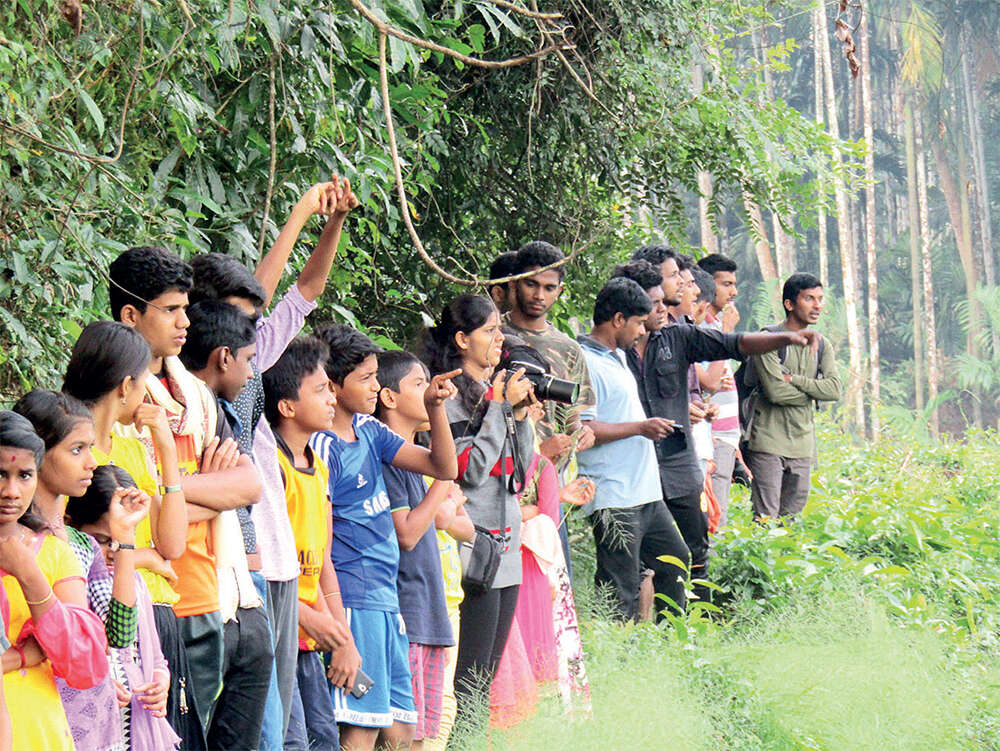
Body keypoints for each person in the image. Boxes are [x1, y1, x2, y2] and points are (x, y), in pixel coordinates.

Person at [188, 177, 357, 749]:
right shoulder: (205, 384)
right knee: (258, 727)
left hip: (277, 562)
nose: (251, 332)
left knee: (277, 721)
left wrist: (330, 222)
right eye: (241, 321)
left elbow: (305, 288)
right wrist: (299, 213)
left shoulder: (249, 364)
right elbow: (266, 292)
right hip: (235, 567)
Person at [109, 245, 263, 733]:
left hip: (209, 590)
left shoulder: (195, 395)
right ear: (130, 314)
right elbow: (132, 510)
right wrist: (199, 495)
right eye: (172, 310)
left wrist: (170, 496)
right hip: (153, 597)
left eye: (186, 309)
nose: (185, 323)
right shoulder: (118, 395)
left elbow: (248, 483)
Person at [627, 243, 820, 600]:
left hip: (679, 465)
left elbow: (733, 344)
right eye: (674, 278)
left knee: (693, 551)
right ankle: (637, 633)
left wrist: (784, 337)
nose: (688, 286)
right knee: (637, 561)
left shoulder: (678, 335)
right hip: (634, 469)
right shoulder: (615, 349)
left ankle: (691, 624)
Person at [310, 324, 458, 751]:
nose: (376, 387)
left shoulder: (370, 432)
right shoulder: (322, 448)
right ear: (333, 387)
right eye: (366, 378)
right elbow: (321, 545)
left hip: (386, 600)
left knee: (401, 732)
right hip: (354, 604)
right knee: (360, 729)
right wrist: (340, 633)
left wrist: (436, 409)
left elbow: (442, 467)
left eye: (377, 376)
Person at [62, 319, 204, 750]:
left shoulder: (130, 448)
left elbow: (172, 545)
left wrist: (164, 448)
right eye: (144, 380)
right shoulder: (73, 460)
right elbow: (73, 546)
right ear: (126, 386)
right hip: (102, 622)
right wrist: (140, 557)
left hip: (150, 619)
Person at [421, 295, 535, 737]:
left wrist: (520, 414)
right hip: (473, 544)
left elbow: (519, 473)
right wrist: (500, 407)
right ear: (462, 339)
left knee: (485, 678)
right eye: (489, 330)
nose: (498, 338)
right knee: (468, 679)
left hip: (506, 544)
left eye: (499, 329)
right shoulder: (447, 396)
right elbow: (467, 471)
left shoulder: (497, 395)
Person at [13, 390, 150, 751]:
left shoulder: (80, 543)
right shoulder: (20, 543)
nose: (91, 462)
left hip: (86, 715)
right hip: (34, 708)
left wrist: (123, 539)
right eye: (77, 450)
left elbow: (118, 634)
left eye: (91, 448)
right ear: (37, 455)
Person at [179, 300, 276, 750]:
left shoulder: (220, 412)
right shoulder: (167, 409)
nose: (253, 373)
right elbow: (161, 508)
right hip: (196, 604)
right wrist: (212, 490)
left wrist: (182, 489)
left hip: (242, 598)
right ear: (223, 357)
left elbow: (249, 484)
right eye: (250, 360)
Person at [576, 278, 691, 618]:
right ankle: (616, 655)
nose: (642, 331)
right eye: (639, 323)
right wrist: (641, 428)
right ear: (618, 320)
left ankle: (671, 639)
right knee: (619, 585)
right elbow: (585, 428)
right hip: (612, 493)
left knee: (676, 559)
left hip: (644, 490)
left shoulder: (618, 358)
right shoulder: (585, 362)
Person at [0, 410, 109, 750]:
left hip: (36, 727)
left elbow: (85, 661)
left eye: (25, 475)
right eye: (0, 474)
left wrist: (29, 574)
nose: (11, 491)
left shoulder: (52, 554)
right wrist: (30, 652)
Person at [261, 336, 349, 751]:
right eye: (320, 389)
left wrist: (341, 634)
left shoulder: (318, 465)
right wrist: (307, 618)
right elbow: (260, 566)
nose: (333, 397)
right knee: (292, 741)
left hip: (306, 639)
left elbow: (323, 558)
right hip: (280, 631)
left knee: (324, 738)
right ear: (287, 407)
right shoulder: (272, 468)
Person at [375, 350, 464, 751]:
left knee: (422, 739)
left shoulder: (417, 459)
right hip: (406, 616)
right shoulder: (388, 460)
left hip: (428, 615)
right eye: (417, 383)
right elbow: (407, 535)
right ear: (388, 397)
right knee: (401, 740)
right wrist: (443, 487)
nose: (428, 390)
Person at [66, 464, 183, 751]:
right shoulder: (72, 583)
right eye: (103, 540)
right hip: (90, 729)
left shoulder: (136, 585)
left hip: (138, 728)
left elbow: (155, 659)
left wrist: (160, 681)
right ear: (72, 527)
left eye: (124, 542)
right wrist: (99, 684)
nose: (113, 553)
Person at [745, 273, 842, 520]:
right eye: (809, 298)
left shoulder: (822, 345)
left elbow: (834, 390)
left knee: (792, 521)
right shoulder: (767, 340)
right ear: (790, 304)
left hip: (802, 445)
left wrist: (795, 380)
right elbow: (775, 392)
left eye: (820, 299)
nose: (817, 305)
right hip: (767, 441)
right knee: (765, 520)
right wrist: (812, 392)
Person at [500, 241, 596, 467]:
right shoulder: (492, 335)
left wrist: (583, 434)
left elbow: (572, 417)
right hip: (502, 471)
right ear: (514, 284)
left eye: (549, 288)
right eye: (531, 284)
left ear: (559, 291)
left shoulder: (569, 349)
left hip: (550, 479)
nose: (539, 295)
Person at [697, 253, 742, 526]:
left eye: (734, 284)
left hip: (726, 433)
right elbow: (705, 383)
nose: (733, 292)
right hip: (711, 433)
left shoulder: (715, 326)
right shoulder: (703, 328)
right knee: (712, 512)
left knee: (719, 507)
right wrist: (725, 336)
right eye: (726, 284)